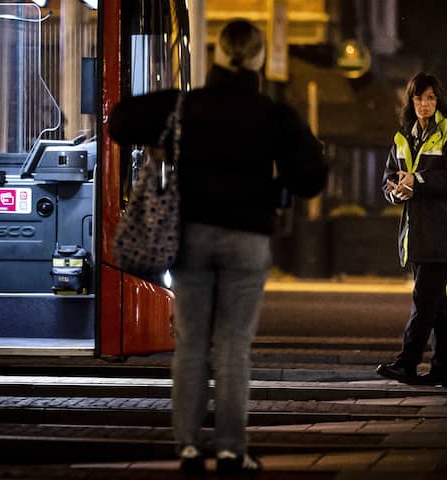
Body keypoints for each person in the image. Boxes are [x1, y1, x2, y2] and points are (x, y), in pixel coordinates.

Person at [109, 19, 327, 475]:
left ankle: (187, 445)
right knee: (232, 346)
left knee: (190, 345)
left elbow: (121, 120)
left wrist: (164, 150)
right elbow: (312, 178)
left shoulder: (188, 106)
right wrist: (274, 188)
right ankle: (230, 449)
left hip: (191, 236)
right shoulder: (272, 113)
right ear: (257, 58)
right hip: (247, 238)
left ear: (220, 54)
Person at [375, 72, 447, 388]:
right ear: (411, 101)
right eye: (418, 98)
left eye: (430, 98)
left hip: (441, 234)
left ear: (438, 100)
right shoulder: (404, 135)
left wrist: (416, 182)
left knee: (424, 299)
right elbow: (389, 178)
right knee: (435, 305)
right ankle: (445, 370)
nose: (424, 104)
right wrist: (396, 191)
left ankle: (407, 363)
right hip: (416, 234)